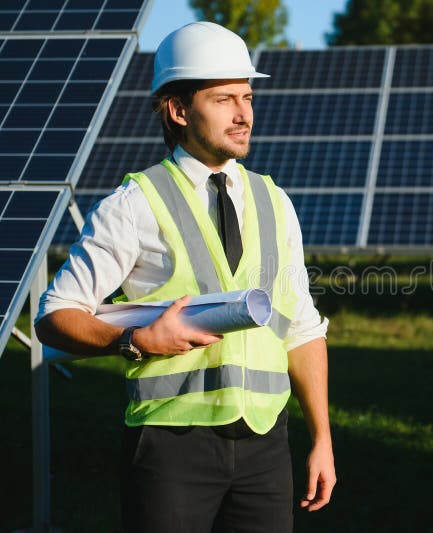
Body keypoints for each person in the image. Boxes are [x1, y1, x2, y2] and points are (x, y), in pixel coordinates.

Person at [34, 21, 335, 533]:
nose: (243, 115)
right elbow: (53, 318)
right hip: (171, 448)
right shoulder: (133, 205)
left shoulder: (274, 201)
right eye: (223, 100)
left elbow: (302, 329)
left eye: (247, 97)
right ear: (178, 110)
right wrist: (134, 339)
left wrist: (322, 439)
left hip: (267, 448)